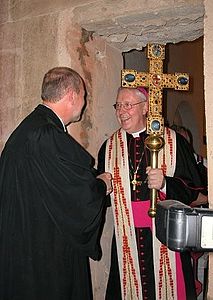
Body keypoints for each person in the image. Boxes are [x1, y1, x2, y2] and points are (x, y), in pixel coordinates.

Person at [0, 67, 112, 300]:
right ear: (71, 96)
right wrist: (101, 185)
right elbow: (77, 198)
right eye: (83, 95)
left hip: (21, 248)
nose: (85, 101)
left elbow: (58, 181)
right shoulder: (46, 135)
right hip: (45, 257)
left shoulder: (26, 130)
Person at [98, 87, 204, 300]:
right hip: (126, 237)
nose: (121, 111)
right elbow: (103, 199)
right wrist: (100, 188)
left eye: (128, 105)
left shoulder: (173, 141)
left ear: (145, 107)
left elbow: (194, 190)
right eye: (118, 105)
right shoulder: (109, 147)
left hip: (166, 235)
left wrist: (165, 184)